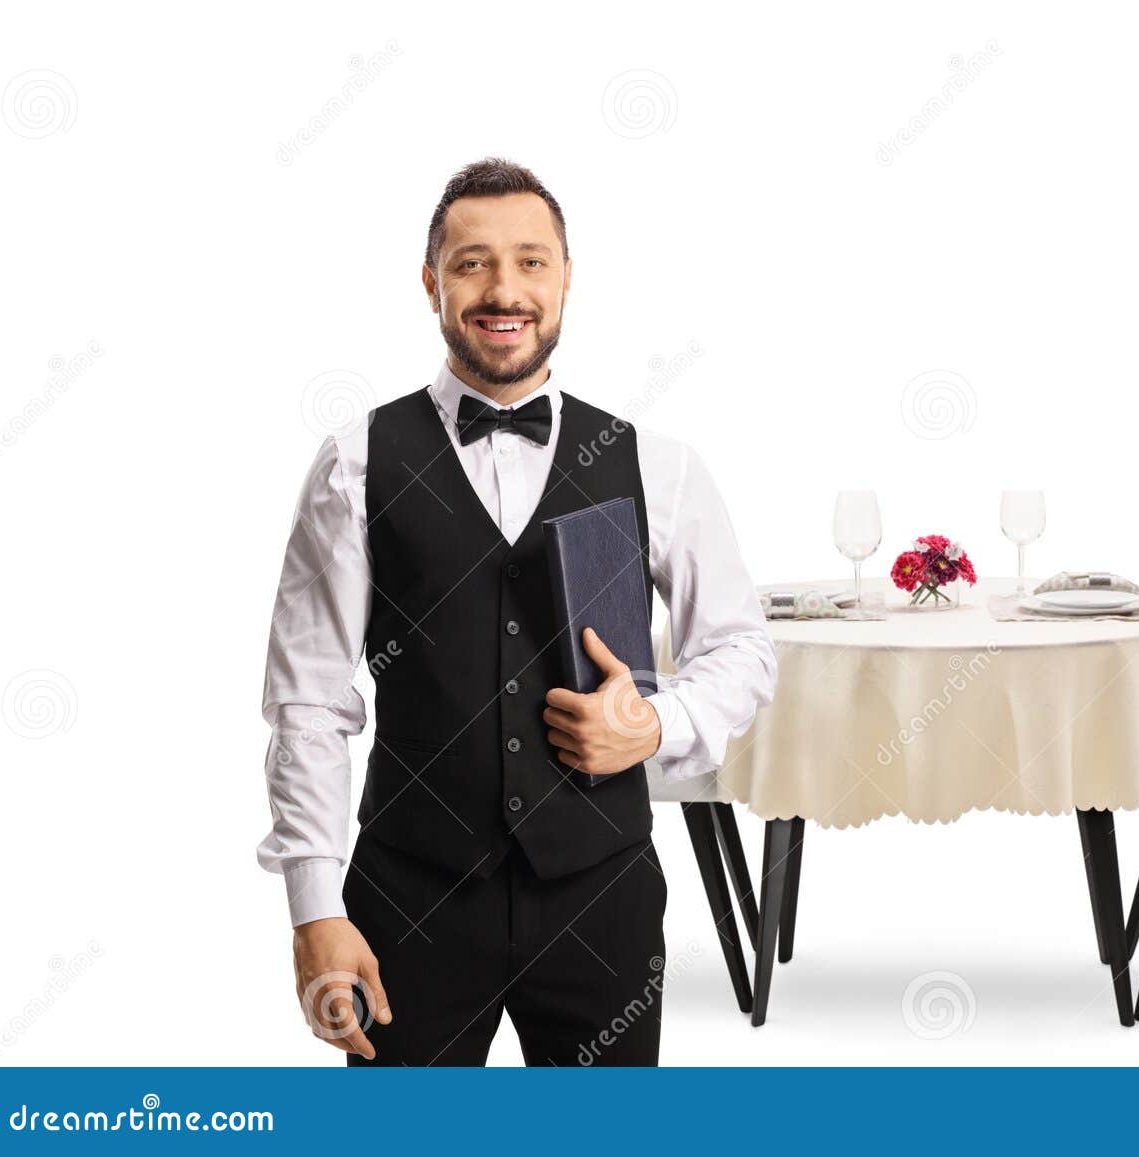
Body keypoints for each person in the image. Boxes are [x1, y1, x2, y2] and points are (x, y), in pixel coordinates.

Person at [258, 157, 776, 1066]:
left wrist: (656, 724)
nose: (505, 290)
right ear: (432, 283)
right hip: (407, 902)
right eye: (472, 263)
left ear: (567, 276)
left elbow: (740, 651)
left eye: (532, 261)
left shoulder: (657, 462)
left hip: (600, 900)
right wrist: (315, 909)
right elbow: (307, 699)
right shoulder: (355, 464)